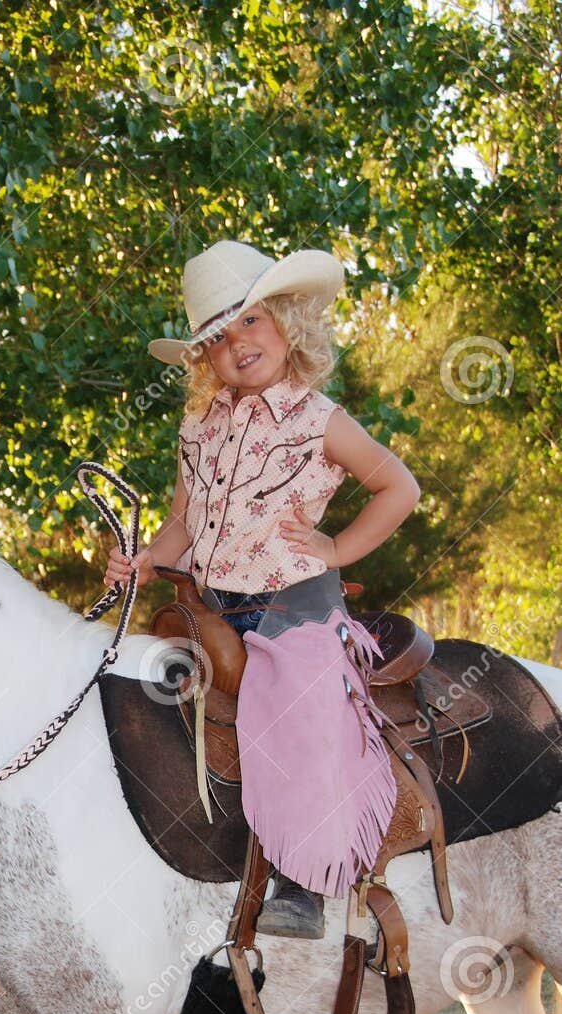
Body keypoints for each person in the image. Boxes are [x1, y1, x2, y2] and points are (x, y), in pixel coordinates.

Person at [105, 239, 421, 938]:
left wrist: (337, 546)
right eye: (214, 339)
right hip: (212, 608)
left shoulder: (318, 419)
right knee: (126, 681)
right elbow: (183, 521)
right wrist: (145, 561)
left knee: (292, 713)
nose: (234, 344)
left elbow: (397, 486)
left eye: (248, 321)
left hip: (291, 612)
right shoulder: (199, 424)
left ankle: (301, 881)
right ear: (201, 358)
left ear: (285, 321)